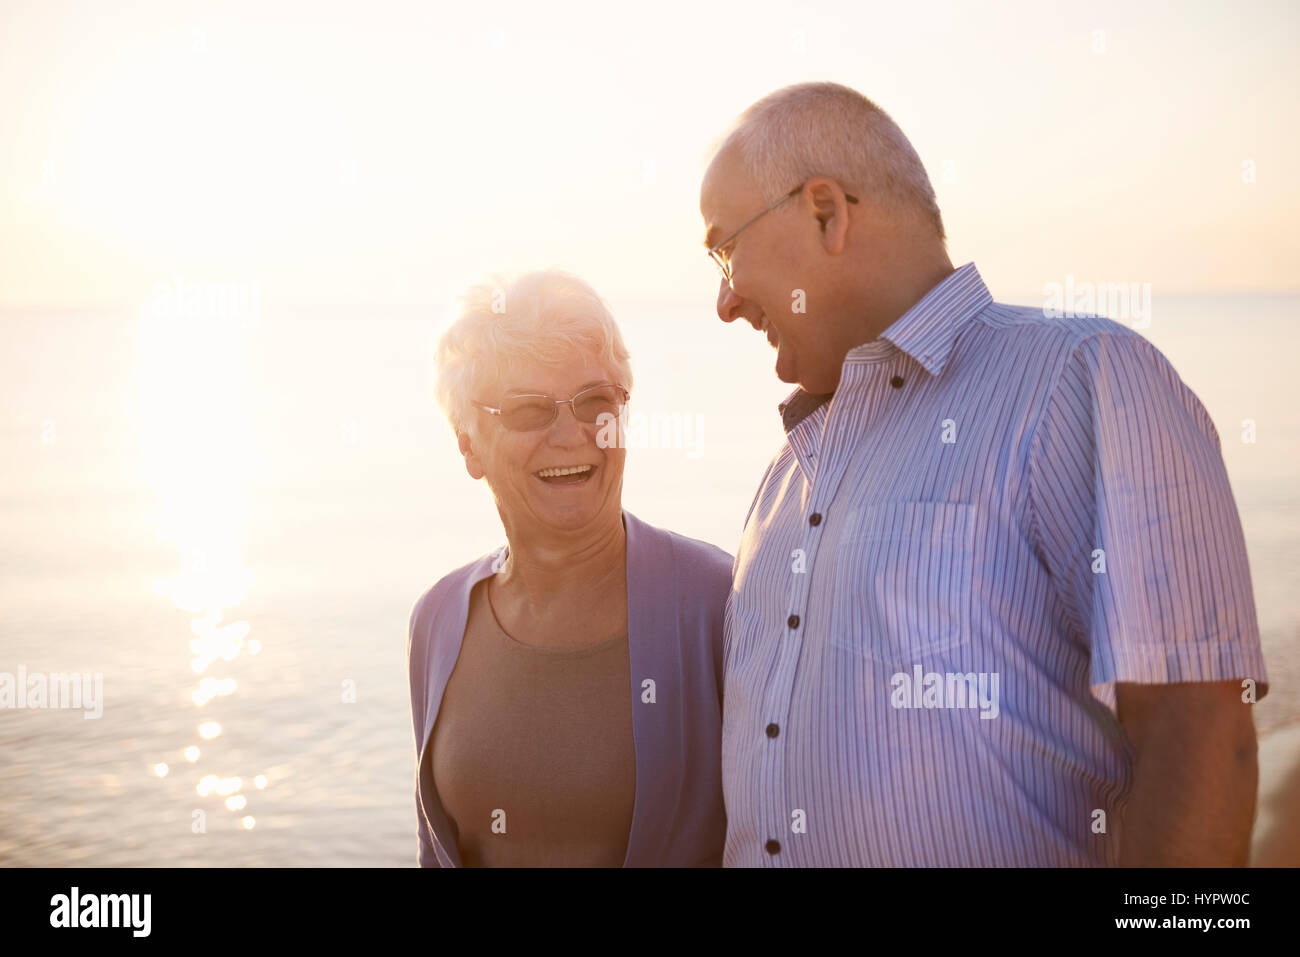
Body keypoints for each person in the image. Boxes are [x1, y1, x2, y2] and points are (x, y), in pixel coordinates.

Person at [699, 81, 1269, 866]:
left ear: (825, 211)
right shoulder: (782, 479)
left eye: (724, 249)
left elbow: (1198, 731)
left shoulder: (1083, 378)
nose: (725, 302)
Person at [407, 269, 730, 866]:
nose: (570, 434)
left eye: (594, 402)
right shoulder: (438, 619)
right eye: (529, 409)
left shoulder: (718, 603)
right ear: (469, 446)